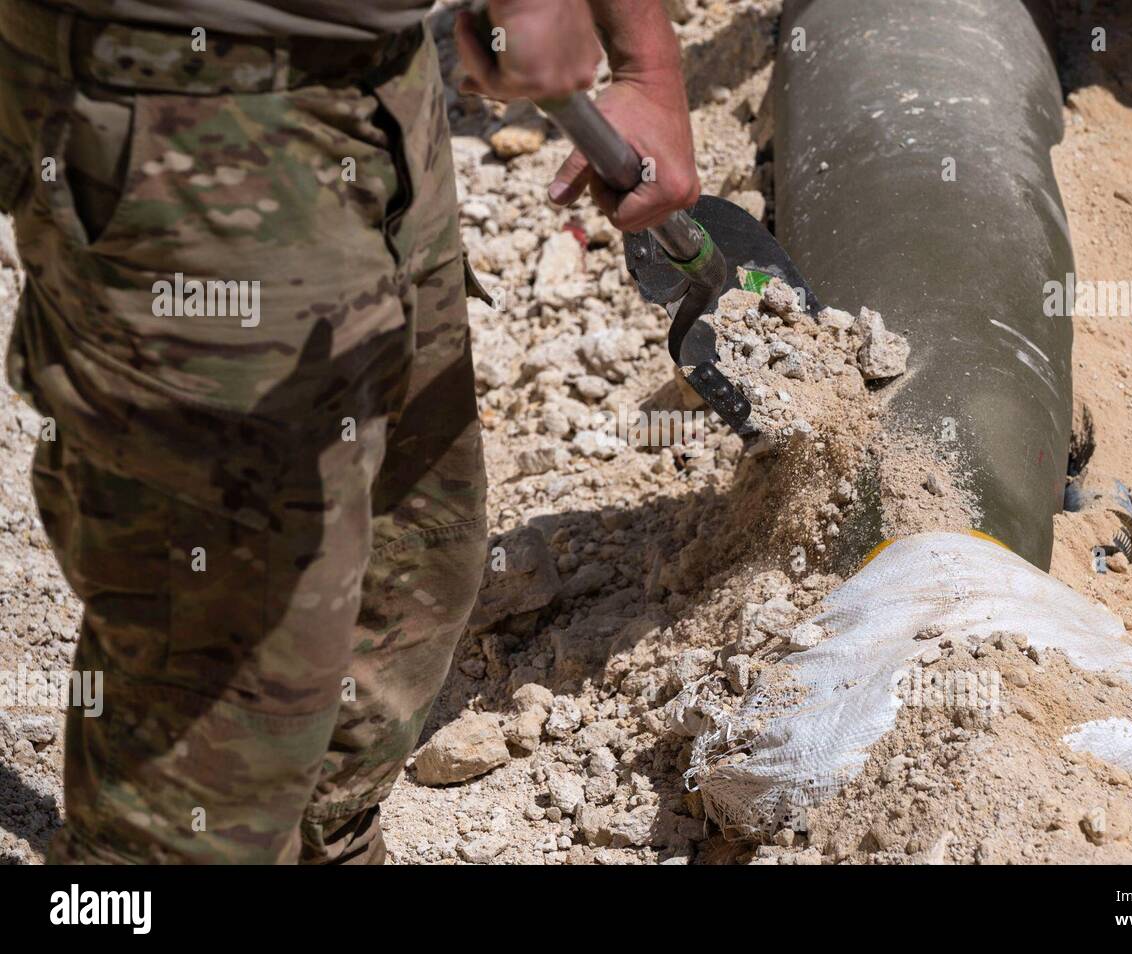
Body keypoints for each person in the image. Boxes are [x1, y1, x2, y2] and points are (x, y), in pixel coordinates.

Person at [0, 0, 697, 863]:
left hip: (376, 78)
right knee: (232, 663)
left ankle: (323, 838)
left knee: (413, 561)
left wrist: (646, 67)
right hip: (178, 99)